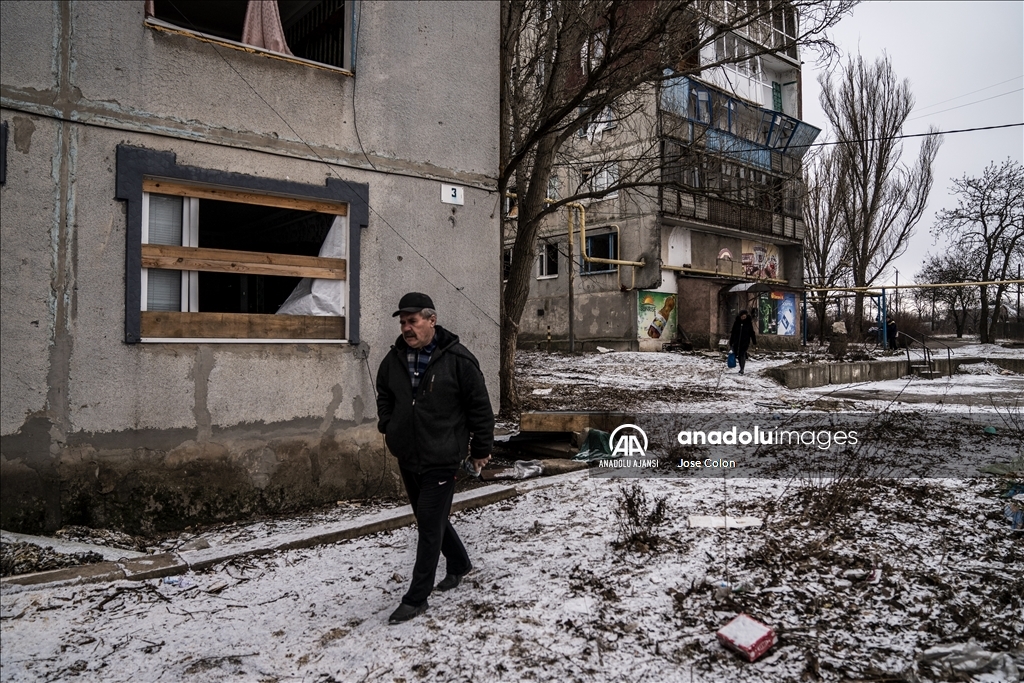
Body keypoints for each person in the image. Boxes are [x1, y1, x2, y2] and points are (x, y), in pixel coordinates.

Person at [375, 292, 494, 624]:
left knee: (428, 525)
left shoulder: (458, 360)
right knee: (432, 519)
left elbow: (480, 409)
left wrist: (481, 449)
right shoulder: (395, 359)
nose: (407, 329)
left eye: (413, 321)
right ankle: (459, 564)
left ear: (432, 320)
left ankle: (416, 599)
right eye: (403, 323)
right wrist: (388, 423)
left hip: (443, 455)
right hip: (408, 454)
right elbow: (384, 392)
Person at [729, 309, 757, 375]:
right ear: (740, 316)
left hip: (745, 342)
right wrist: (731, 341)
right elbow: (733, 332)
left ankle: (742, 369)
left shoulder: (748, 323)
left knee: (742, 354)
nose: (743, 318)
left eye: (745, 317)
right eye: (742, 317)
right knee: (738, 355)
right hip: (737, 342)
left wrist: (754, 341)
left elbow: (752, 333)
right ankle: (741, 367)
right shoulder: (736, 323)